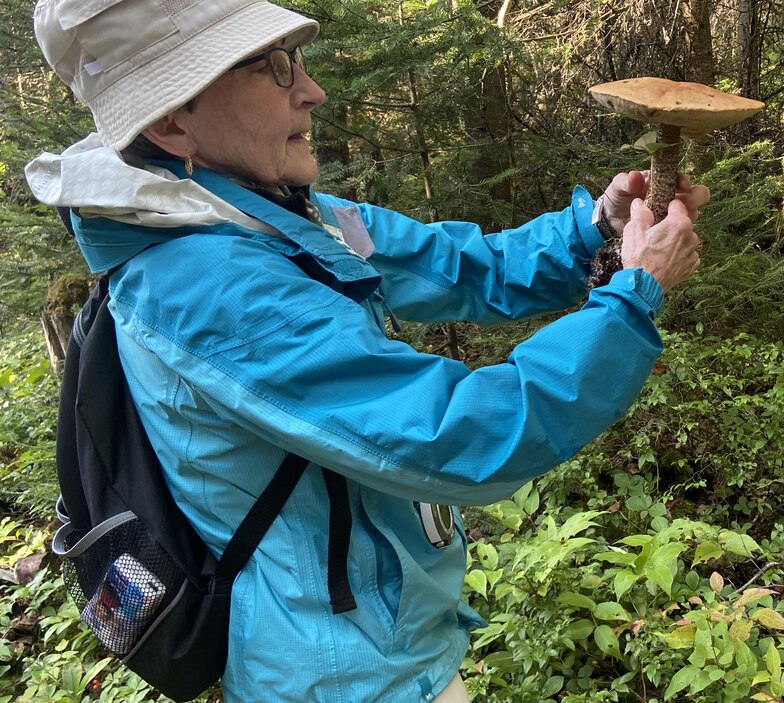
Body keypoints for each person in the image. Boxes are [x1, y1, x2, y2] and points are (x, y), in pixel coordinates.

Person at [25, 1, 707, 701]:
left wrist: (594, 225)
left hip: (384, 642)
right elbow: (463, 436)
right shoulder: (212, 291)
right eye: (273, 67)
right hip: (343, 675)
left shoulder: (277, 214)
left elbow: (459, 265)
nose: (312, 89)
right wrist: (633, 294)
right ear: (171, 122)